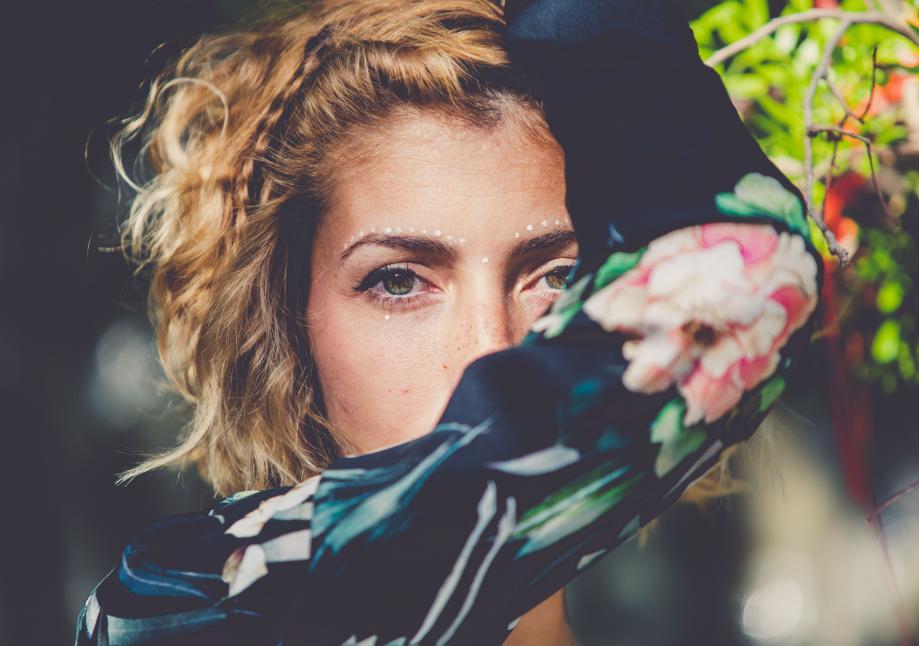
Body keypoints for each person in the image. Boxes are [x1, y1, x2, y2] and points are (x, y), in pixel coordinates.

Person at [76, 0, 824, 644]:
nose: (489, 354)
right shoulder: (179, 606)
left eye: (556, 278)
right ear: (293, 328)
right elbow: (752, 270)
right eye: (399, 281)